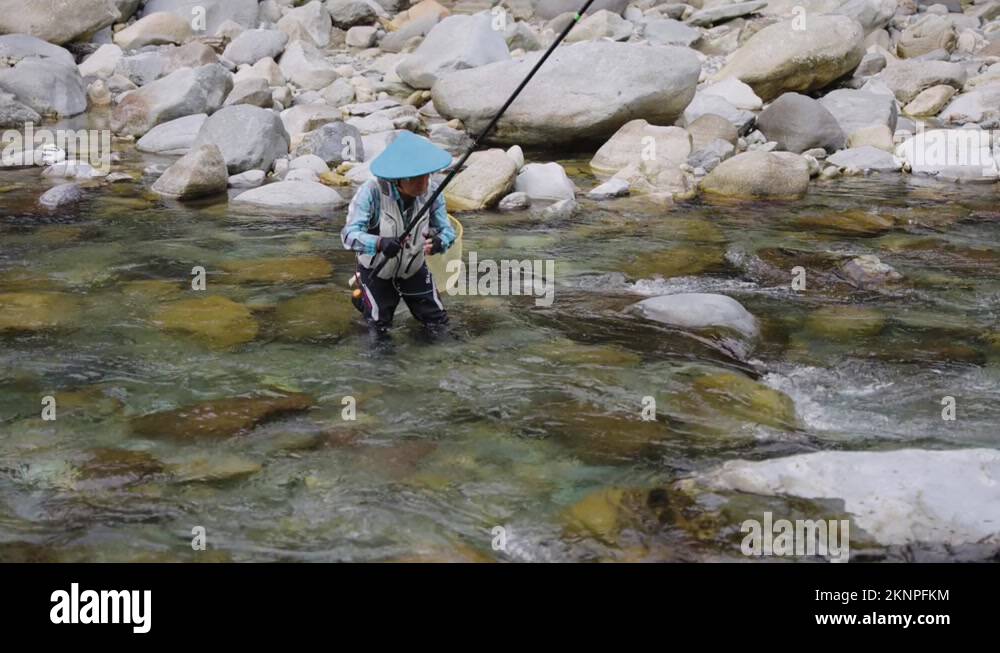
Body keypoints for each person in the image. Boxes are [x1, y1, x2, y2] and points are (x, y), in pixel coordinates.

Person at [341, 132, 456, 336]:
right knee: (378, 329)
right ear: (398, 179)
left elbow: (448, 230)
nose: (424, 182)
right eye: (417, 176)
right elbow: (348, 236)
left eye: (427, 174)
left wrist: (440, 242)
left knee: (439, 325)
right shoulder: (372, 192)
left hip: (414, 269)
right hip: (377, 270)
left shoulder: (433, 192)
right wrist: (379, 243)